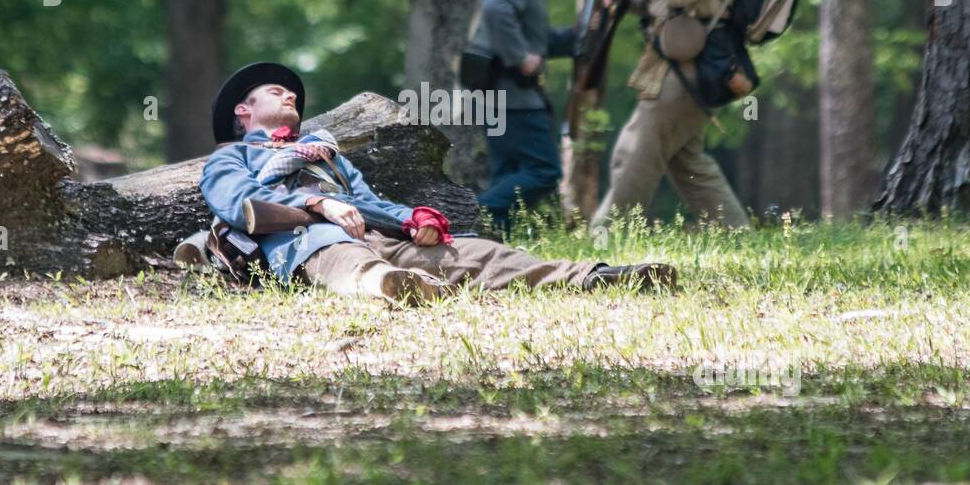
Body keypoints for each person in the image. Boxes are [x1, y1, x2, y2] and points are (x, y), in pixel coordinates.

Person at [198, 62, 676, 304]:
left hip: (375, 231)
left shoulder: (327, 154)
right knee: (351, 263)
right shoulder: (231, 157)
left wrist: (410, 218)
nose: (289, 95)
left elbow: (365, 200)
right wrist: (320, 203)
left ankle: (591, 277)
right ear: (244, 111)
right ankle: (394, 287)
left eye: (293, 93)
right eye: (275, 91)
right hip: (310, 242)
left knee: (476, 253)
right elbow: (241, 203)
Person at [592, 0, 751, 231]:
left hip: (687, 71)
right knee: (688, 162)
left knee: (634, 152)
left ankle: (603, 238)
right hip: (683, 67)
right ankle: (735, 232)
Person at [464, 0, 580, 229]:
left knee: (509, 172)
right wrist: (520, 57)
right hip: (513, 96)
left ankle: (492, 240)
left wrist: (583, 34)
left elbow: (539, 39)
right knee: (544, 170)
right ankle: (472, 215)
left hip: (499, 96)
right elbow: (496, 9)